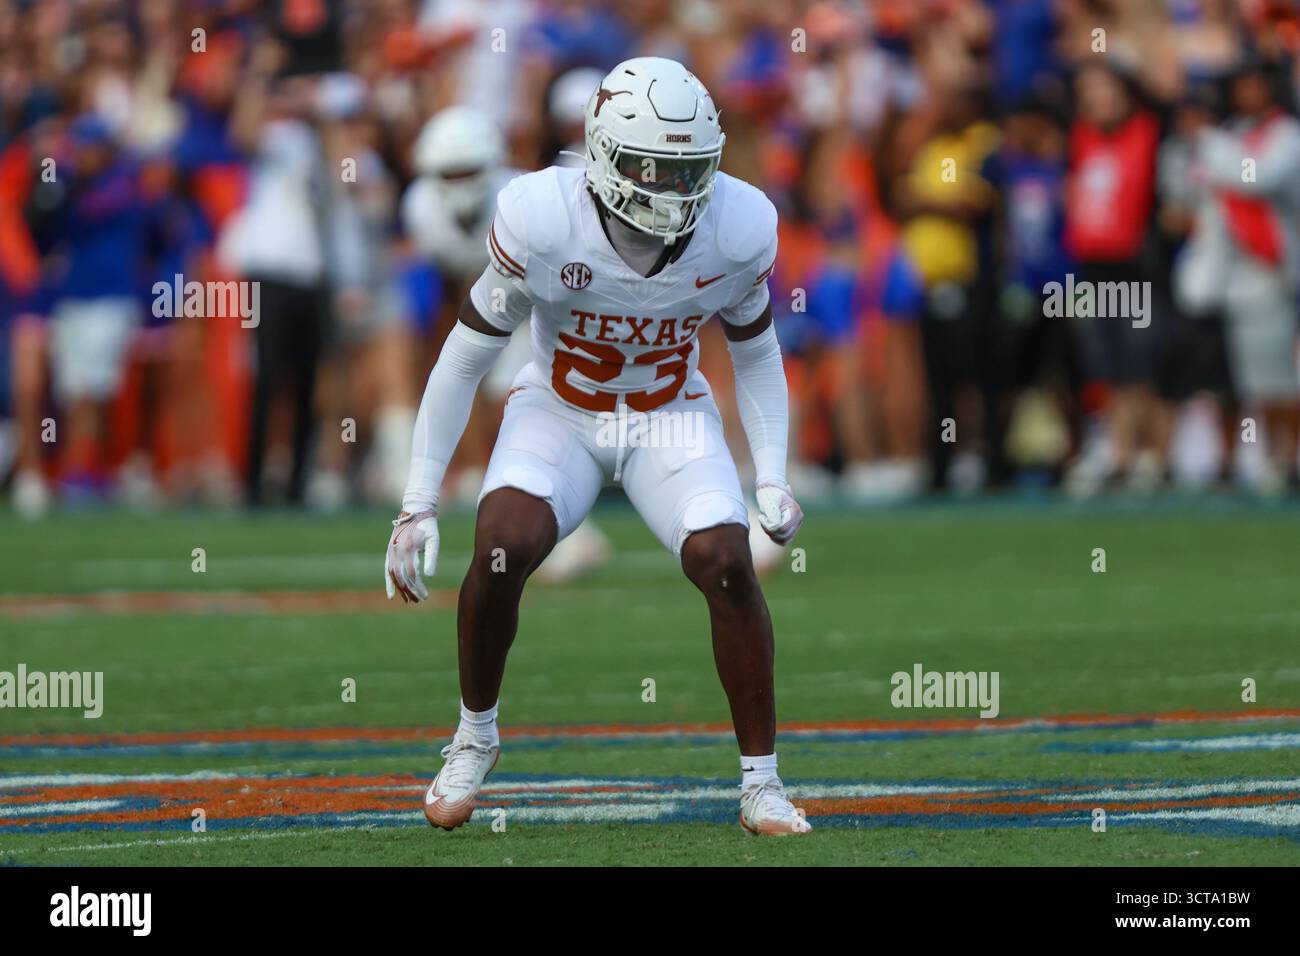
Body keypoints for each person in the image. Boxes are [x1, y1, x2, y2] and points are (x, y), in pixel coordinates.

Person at [385, 57, 810, 836]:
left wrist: (773, 473)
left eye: (690, 169)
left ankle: (763, 783)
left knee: (726, 560)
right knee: (502, 545)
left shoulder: (739, 227)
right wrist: (416, 502)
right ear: (608, 156)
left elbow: (754, 350)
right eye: (656, 168)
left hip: (668, 416)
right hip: (561, 411)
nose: (677, 189)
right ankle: (474, 736)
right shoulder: (543, 216)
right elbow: (465, 354)